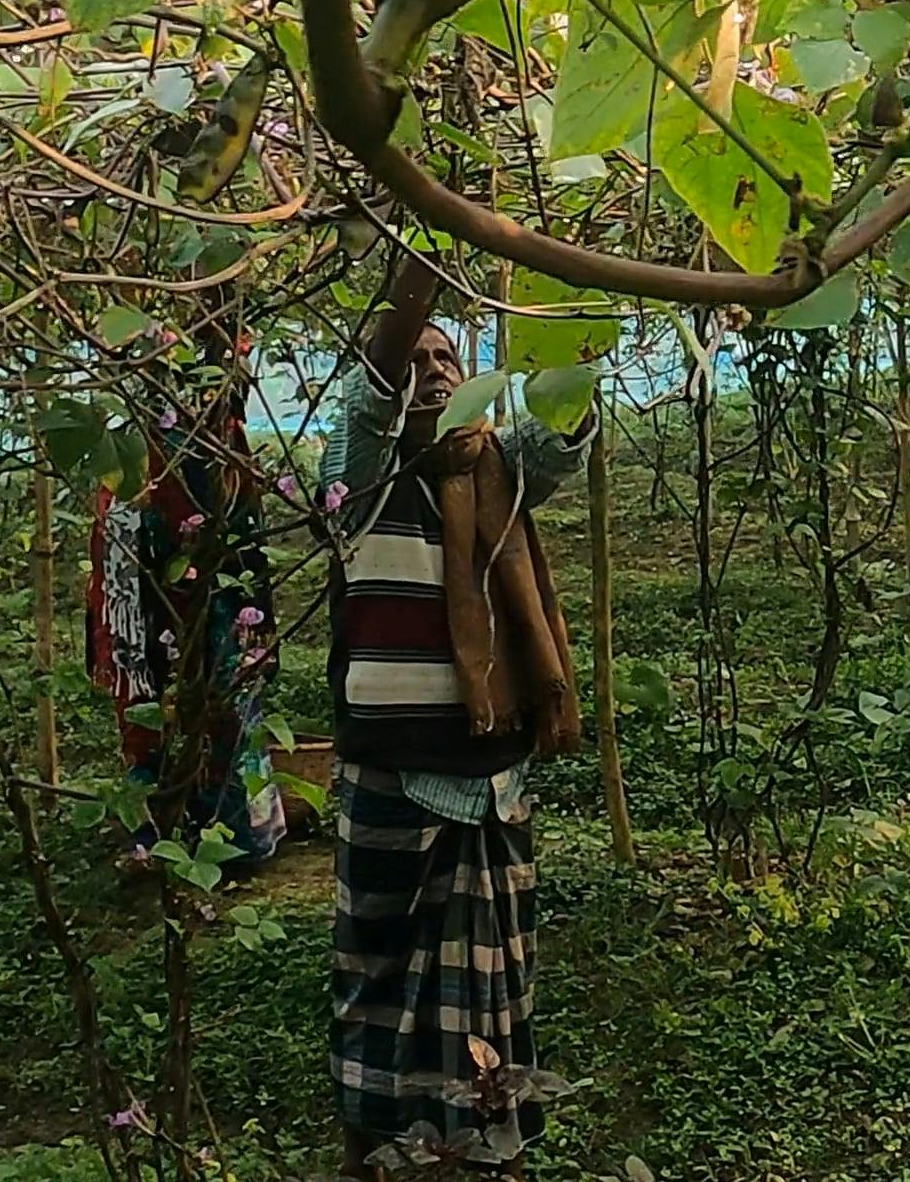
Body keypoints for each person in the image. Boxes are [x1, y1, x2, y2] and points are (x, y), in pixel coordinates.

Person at [320, 253, 588, 1175]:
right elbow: (371, 384)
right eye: (418, 361)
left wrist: (565, 313)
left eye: (452, 362)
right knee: (382, 980)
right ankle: (375, 1148)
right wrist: (426, 248)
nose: (435, 372)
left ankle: (491, 1151)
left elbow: (559, 431)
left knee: (497, 990)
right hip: (397, 785)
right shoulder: (360, 483)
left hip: (496, 789)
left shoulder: (498, 474)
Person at [86, 366, 286, 873]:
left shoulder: (224, 447)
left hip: (214, 596)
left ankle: (233, 837)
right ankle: (156, 833)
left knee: (224, 707)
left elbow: (245, 537)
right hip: (144, 597)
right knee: (146, 712)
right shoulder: (129, 452)